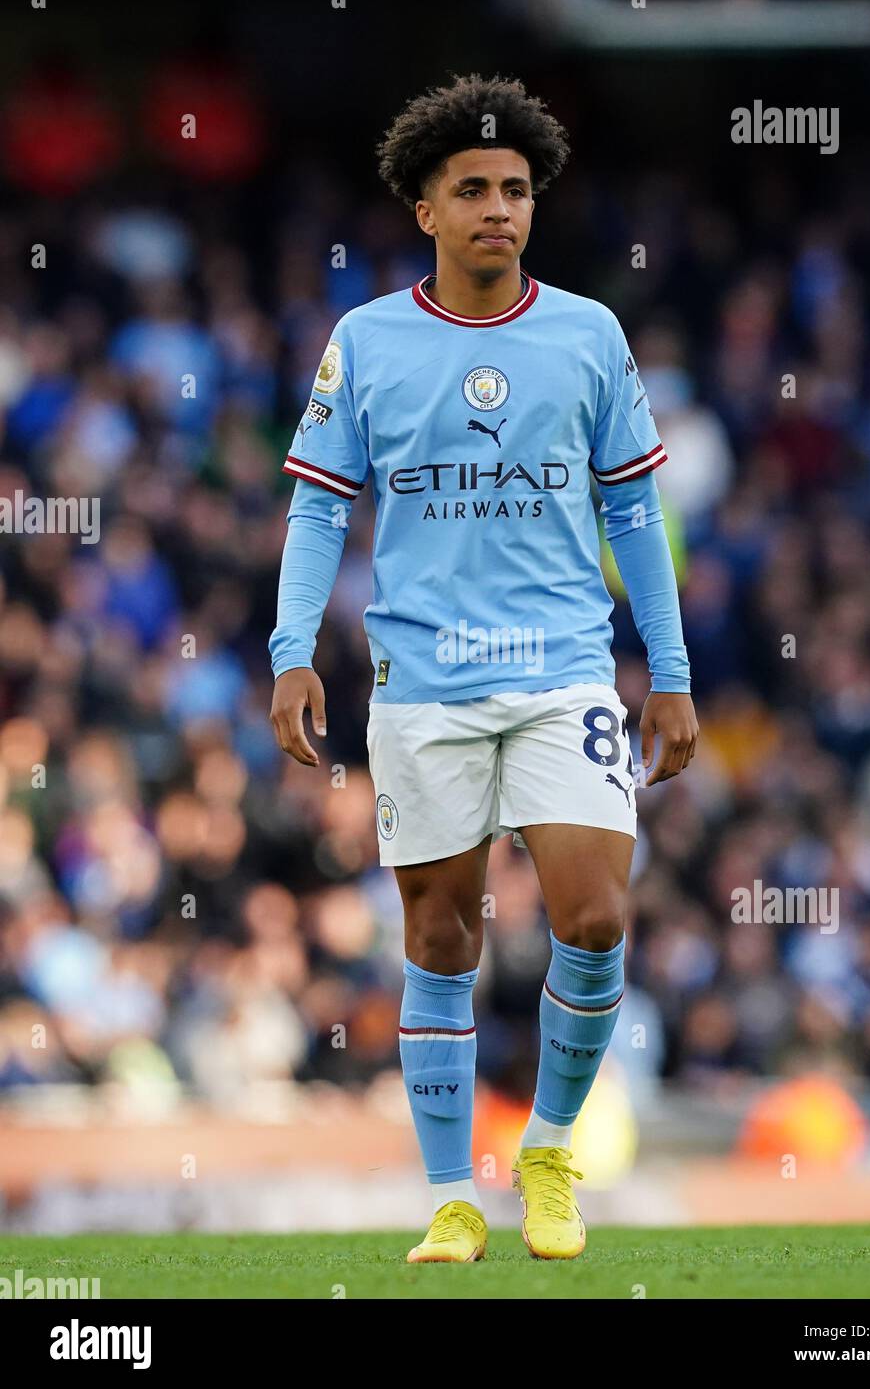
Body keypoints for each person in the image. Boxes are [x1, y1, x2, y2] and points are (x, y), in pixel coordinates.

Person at [268, 73, 698, 1263]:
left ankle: (551, 1148)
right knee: (443, 940)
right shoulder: (366, 343)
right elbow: (316, 515)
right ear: (425, 210)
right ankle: (455, 1195)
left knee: (595, 915)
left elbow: (632, 509)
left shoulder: (588, 335)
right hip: (424, 685)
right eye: (472, 190)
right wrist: (291, 654)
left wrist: (668, 669)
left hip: (566, 672)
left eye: (514, 189)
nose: (498, 209)